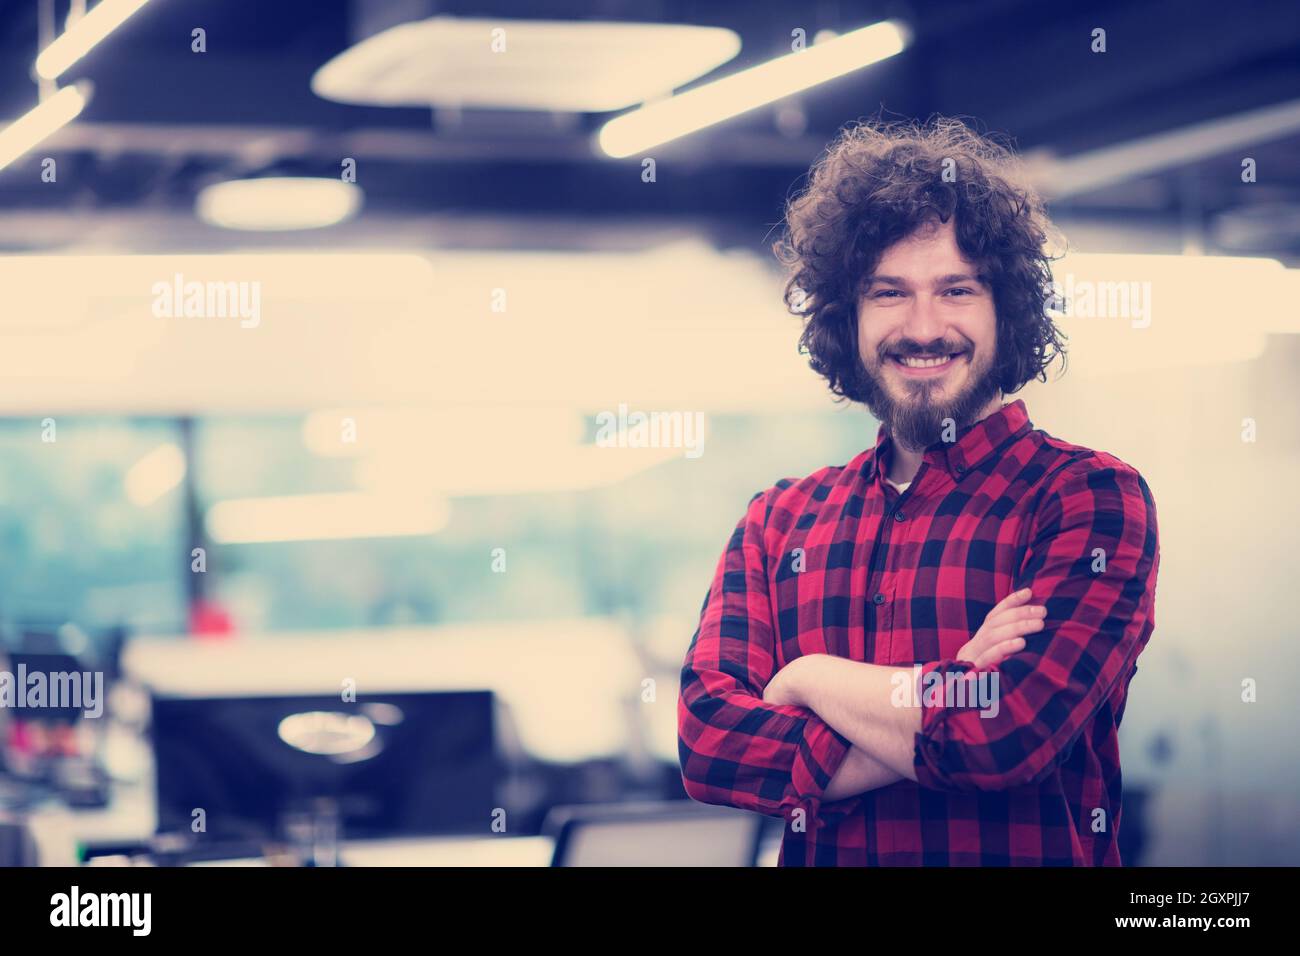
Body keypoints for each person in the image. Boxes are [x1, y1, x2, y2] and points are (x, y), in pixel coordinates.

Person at [677, 118, 1160, 866]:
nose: (924, 326)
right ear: (850, 317)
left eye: (957, 290)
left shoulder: (1088, 499)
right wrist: (954, 690)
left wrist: (809, 679)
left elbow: (1003, 738)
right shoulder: (779, 523)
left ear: (1009, 311)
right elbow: (711, 747)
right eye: (889, 293)